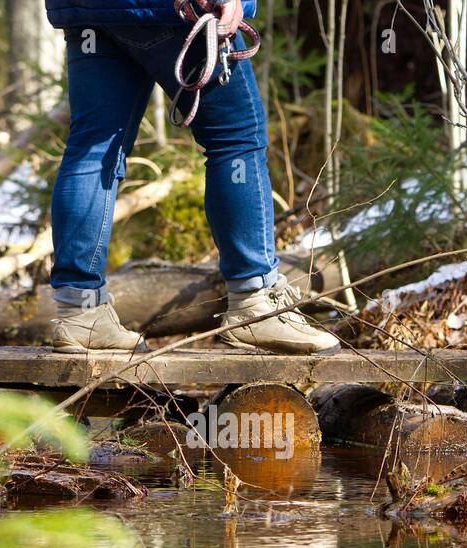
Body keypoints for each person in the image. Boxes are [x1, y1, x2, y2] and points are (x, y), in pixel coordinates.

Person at [42, 0, 339, 355]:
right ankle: (255, 303)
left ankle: (80, 311)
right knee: (236, 140)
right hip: (175, 11)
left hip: (91, 14)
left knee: (94, 146)